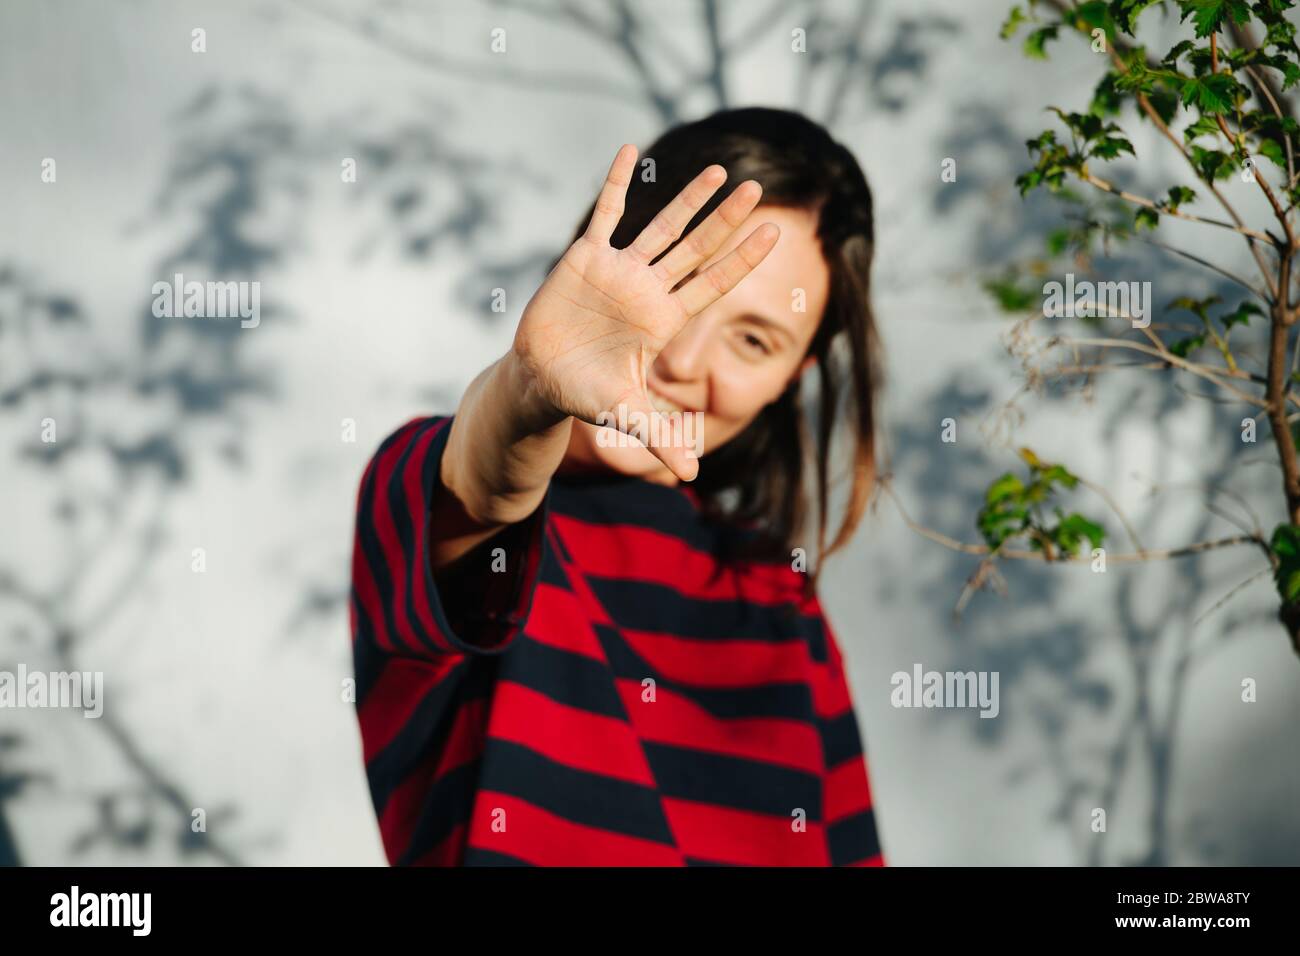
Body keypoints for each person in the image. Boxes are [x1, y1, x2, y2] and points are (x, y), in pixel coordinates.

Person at [350, 107, 885, 866]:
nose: (681, 358)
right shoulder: (455, 502)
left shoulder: (781, 603)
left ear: (788, 381)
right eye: (678, 289)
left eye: (754, 339)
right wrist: (526, 391)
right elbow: (483, 483)